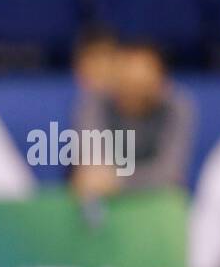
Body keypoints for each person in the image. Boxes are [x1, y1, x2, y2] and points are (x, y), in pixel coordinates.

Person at [71, 40, 194, 198]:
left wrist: (118, 181)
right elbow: (94, 168)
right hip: (102, 204)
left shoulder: (177, 107)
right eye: (127, 83)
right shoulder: (93, 105)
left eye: (141, 85)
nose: (133, 92)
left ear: (160, 82)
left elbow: (171, 173)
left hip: (159, 203)